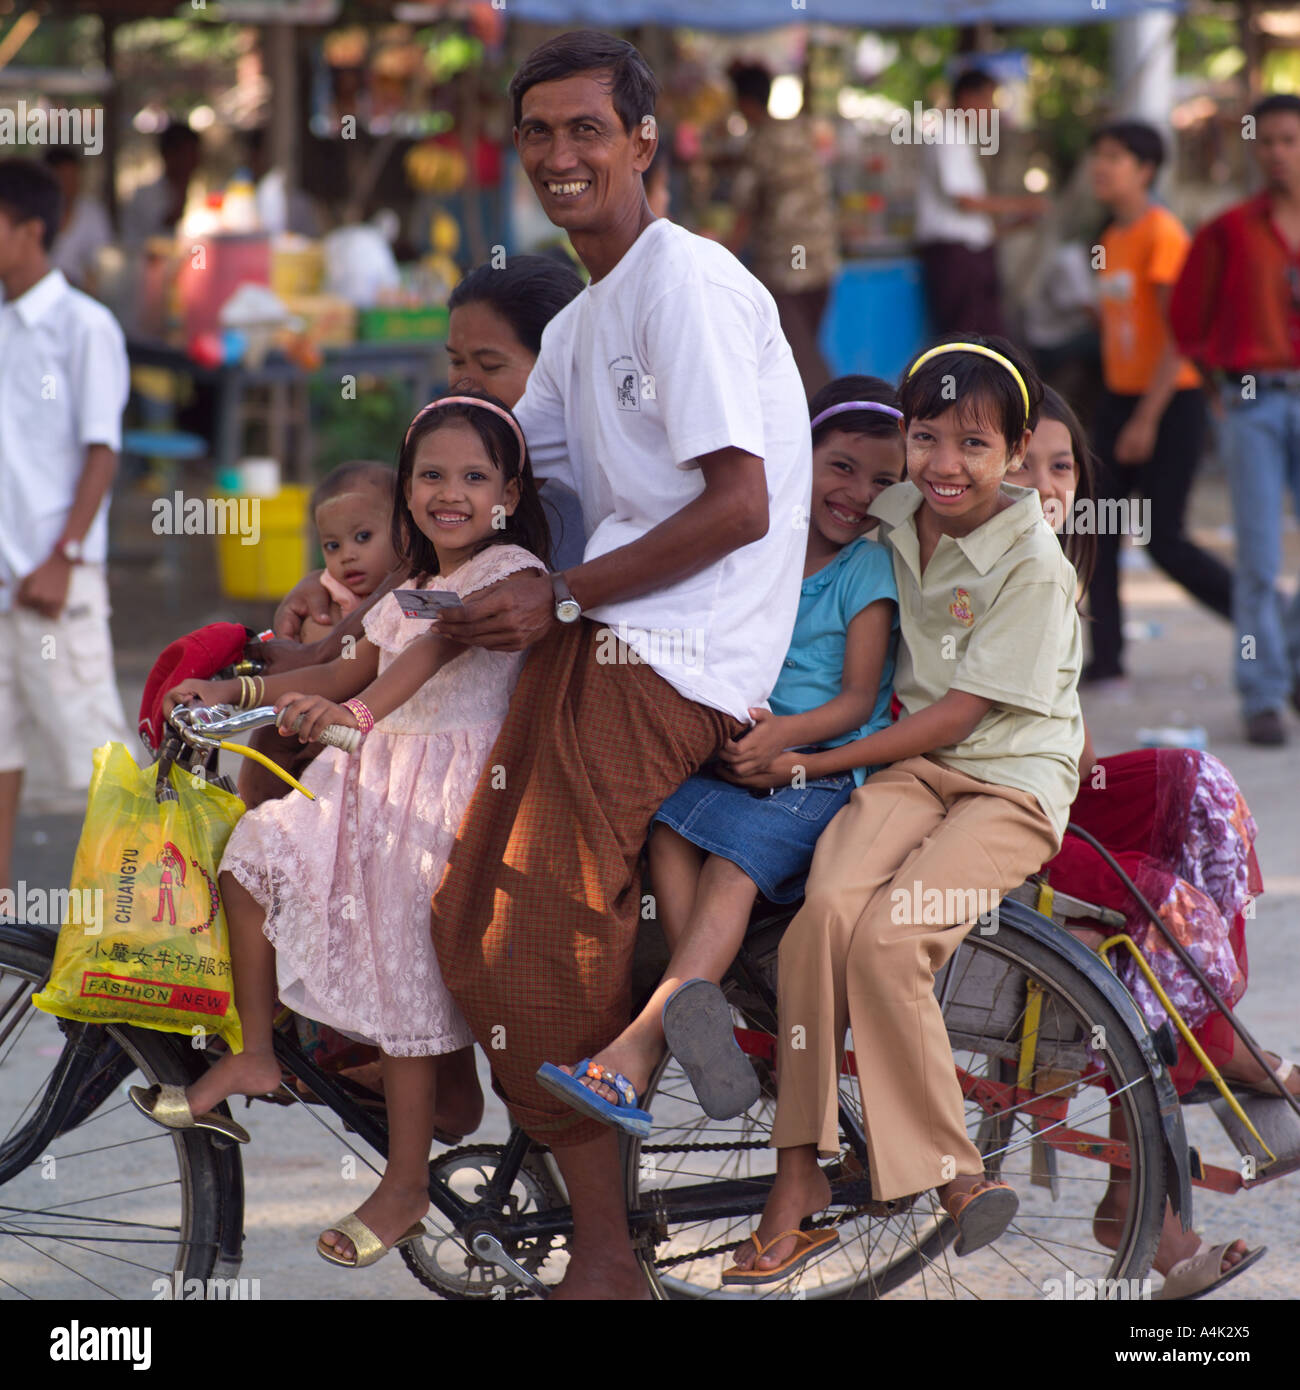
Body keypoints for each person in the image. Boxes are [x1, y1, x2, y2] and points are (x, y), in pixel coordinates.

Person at [424, 31, 810, 1301]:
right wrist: (360, 577)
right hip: (609, 638)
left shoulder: (678, 283)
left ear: (644, 141)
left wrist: (561, 591)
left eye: (586, 128)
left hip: (675, 655)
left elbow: (740, 503)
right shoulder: (588, 316)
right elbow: (505, 473)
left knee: (532, 927)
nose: (560, 154)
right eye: (538, 132)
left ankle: (607, 1255)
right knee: (458, 903)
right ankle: (436, 1100)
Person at [139, 391, 551, 1268]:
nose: (451, 493)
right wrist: (234, 691)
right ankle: (257, 1052)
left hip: (442, 799)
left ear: (509, 493)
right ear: (406, 493)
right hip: (370, 776)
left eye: (474, 478)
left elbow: (428, 658)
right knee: (250, 858)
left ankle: (404, 1186)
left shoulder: (505, 572)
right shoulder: (413, 586)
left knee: (399, 968)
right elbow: (349, 665)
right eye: (431, 476)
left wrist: (353, 717)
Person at [724, 336, 1083, 1285]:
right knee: (821, 922)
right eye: (928, 439)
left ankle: (954, 1174)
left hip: (1008, 781)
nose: (945, 465)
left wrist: (810, 761)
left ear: (1016, 453)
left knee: (891, 940)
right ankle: (796, 1176)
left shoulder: (1033, 563)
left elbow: (961, 715)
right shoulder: (893, 511)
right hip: (913, 769)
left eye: (975, 444)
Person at [537, 376, 904, 1131]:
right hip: (741, 755)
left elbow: (856, 700)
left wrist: (783, 739)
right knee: (668, 829)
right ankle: (707, 1009)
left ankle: (642, 1044)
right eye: (841, 467)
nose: (858, 493)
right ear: (798, 457)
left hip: (819, 768)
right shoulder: (761, 549)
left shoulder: (866, 570)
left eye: (883, 481)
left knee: (732, 868)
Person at [1012, 388, 1278, 1300]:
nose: (1043, 486)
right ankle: (1163, 1164)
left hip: (1048, 794)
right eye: (1021, 465)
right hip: (984, 812)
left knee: (1205, 794)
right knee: (1161, 903)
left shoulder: (1051, 567)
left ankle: (1219, 1047)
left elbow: (1073, 743)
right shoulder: (952, 567)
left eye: (1060, 467)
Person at [0, 158, 130, 896]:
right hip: (4, 577)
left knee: (96, 757)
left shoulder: (84, 325)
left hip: (57, 578)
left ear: (30, 229)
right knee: (1, 751)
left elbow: (101, 449)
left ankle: (128, 922)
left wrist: (64, 554)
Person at [1171, 93, 1300, 746]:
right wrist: (1213, 381)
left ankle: (1288, 664)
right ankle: (1262, 693)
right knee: (1258, 557)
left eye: (1290, 140)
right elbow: (1185, 315)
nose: (1277, 152)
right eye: (1267, 140)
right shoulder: (1229, 229)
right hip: (1254, 401)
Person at [1084, 120, 1233, 687]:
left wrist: (1146, 418)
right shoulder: (1107, 239)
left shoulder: (1163, 233)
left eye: (1114, 156)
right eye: (1098, 155)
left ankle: (1267, 623)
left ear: (1145, 170)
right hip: (1119, 398)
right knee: (1095, 527)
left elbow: (1182, 335)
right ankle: (1107, 660)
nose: (1101, 166)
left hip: (1170, 402)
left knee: (1165, 540)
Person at [726, 62, 838, 397]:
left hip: (784, 268)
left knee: (798, 361)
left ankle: (831, 416)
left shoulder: (759, 144)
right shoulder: (801, 132)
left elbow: (744, 211)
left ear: (745, 102)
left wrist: (723, 257)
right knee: (805, 349)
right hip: (821, 263)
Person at [913, 69, 1045, 339]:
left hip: (969, 255)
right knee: (966, 342)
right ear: (967, 98)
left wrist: (1014, 224)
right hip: (956, 257)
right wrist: (1023, 205)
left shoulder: (960, 137)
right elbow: (965, 202)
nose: (992, 109)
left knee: (984, 340)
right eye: (988, 100)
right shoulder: (947, 133)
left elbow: (972, 222)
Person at [299, 462, 400, 645]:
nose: (346, 556)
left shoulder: (421, 586)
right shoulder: (334, 597)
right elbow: (319, 643)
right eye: (333, 546)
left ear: (403, 531)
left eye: (363, 537)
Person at [121, 123, 201, 246]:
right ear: (168, 155)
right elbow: (162, 232)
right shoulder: (145, 195)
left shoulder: (198, 191)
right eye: (187, 154)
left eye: (194, 154)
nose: (192, 161)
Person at [45, 148, 112, 292]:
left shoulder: (93, 213)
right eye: (64, 178)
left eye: (74, 178)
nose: (70, 184)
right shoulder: (34, 215)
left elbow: (102, 264)